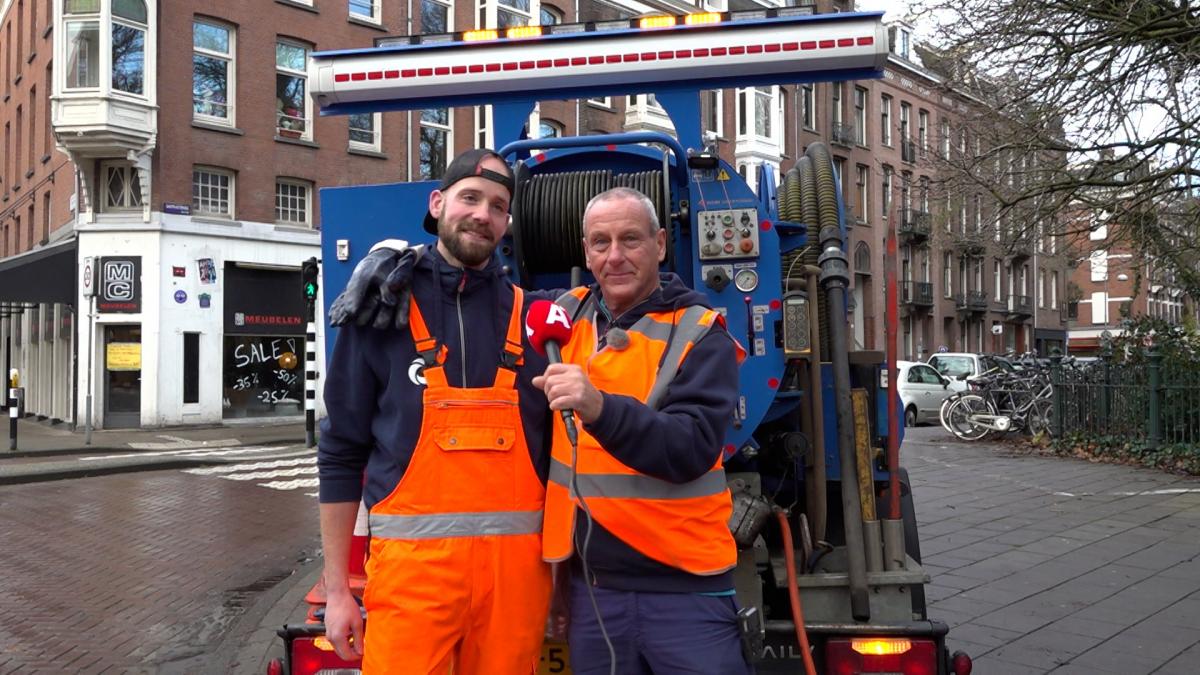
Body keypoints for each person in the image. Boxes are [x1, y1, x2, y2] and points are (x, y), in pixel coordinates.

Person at [317, 148, 553, 674]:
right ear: (438, 201)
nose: (482, 214)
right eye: (470, 197)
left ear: (508, 222)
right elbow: (340, 452)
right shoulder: (383, 309)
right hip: (410, 587)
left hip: (514, 592)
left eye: (497, 205)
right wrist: (338, 591)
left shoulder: (535, 320)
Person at [532, 187, 750, 675]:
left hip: (685, 587)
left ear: (660, 244)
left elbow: (690, 449)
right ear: (585, 252)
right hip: (592, 588)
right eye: (600, 242)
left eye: (630, 239)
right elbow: (486, 302)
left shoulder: (700, 331)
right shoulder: (562, 316)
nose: (615, 256)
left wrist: (598, 407)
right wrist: (396, 261)